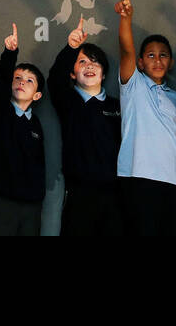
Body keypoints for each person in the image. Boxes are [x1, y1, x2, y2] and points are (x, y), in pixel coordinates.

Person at [114, 0, 176, 234]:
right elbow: (126, 49)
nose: (157, 60)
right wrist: (126, 19)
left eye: (163, 56)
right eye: (150, 55)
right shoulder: (133, 85)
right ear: (140, 63)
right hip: (138, 176)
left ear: (170, 63)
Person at [48, 15, 123, 235]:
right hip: (79, 194)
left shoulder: (118, 106)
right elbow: (55, 79)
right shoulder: (68, 101)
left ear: (104, 71)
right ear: (72, 73)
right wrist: (72, 47)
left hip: (115, 195)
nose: (89, 66)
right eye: (82, 62)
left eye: (95, 61)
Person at [0, 23, 46, 236]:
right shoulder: (0, 110)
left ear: (37, 95)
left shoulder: (36, 124)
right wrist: (10, 53)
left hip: (31, 204)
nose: (22, 82)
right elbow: (1, 81)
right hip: (4, 201)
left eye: (30, 80)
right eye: (17, 78)